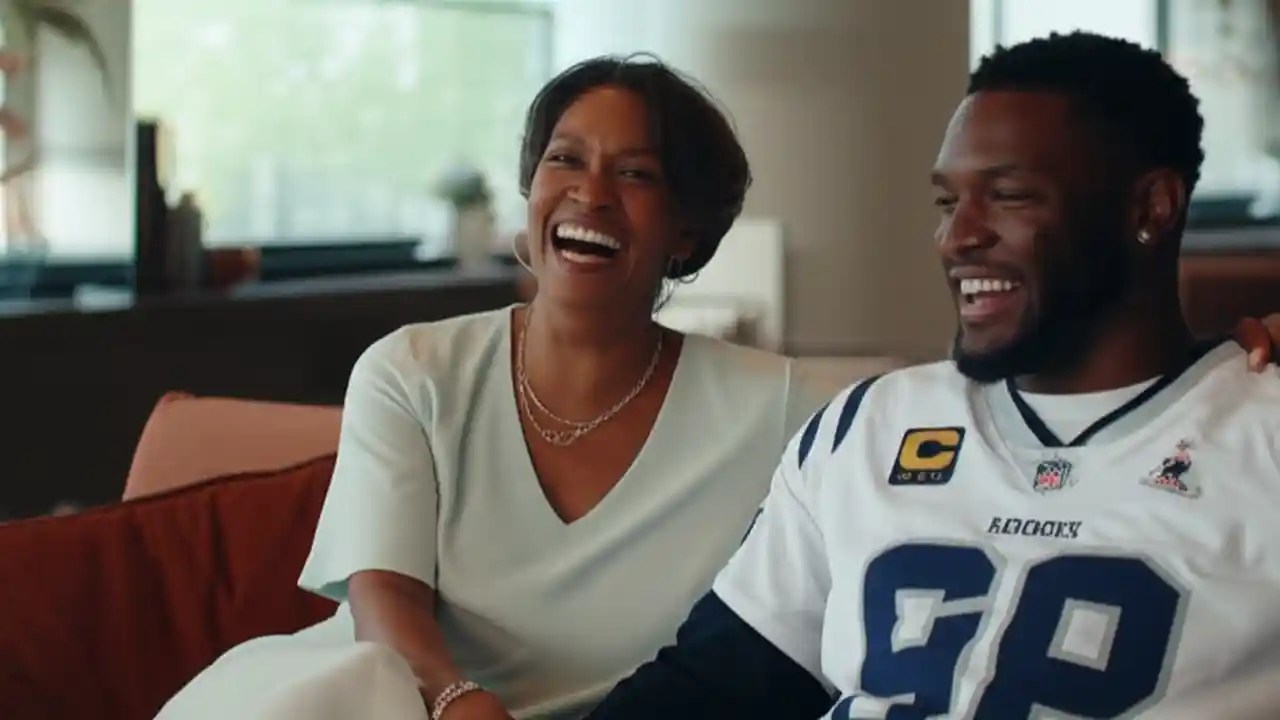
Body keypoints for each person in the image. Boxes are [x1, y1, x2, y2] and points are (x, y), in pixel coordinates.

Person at [588, 33, 1280, 719]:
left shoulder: (1259, 437)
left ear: (1150, 207)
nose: (957, 237)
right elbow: (718, 684)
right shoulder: (870, 426)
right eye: (949, 203)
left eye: (1009, 197)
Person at [156, 55, 843, 720]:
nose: (591, 193)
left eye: (635, 173)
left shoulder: (781, 413)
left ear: (684, 231)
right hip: (378, 702)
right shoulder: (412, 371)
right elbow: (384, 596)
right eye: (565, 159)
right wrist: (458, 703)